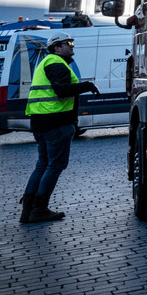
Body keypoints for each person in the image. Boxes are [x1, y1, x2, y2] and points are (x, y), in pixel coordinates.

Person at [21, 32, 97, 223]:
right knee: (55, 165)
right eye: (68, 43)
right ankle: (39, 209)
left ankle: (28, 210)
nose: (72, 46)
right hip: (56, 122)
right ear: (56, 47)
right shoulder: (56, 63)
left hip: (40, 120)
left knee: (43, 164)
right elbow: (61, 90)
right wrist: (86, 85)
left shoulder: (46, 62)